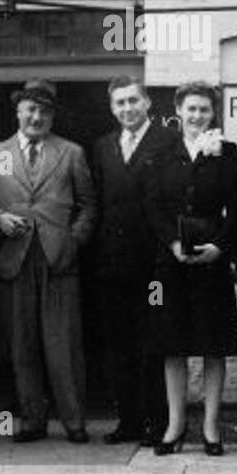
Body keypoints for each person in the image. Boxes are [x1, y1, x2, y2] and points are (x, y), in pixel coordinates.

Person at [0, 79, 97, 443]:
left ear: (52, 115)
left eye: (44, 110)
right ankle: (32, 420)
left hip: (59, 259)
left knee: (63, 344)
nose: (36, 116)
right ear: (18, 111)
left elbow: (89, 205)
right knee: (22, 343)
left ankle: (74, 421)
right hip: (14, 257)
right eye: (30, 109)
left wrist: (73, 241)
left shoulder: (71, 152)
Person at [140, 83, 237, 456]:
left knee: (212, 346)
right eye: (191, 109)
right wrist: (172, 244)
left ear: (212, 113)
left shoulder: (227, 152)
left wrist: (221, 247)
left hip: (212, 260)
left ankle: (212, 426)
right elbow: (152, 204)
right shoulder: (161, 152)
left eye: (204, 110)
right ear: (178, 111)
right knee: (173, 345)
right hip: (172, 262)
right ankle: (175, 423)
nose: (197, 116)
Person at [91, 76, 179, 446]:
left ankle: (155, 423)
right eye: (119, 103)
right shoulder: (102, 147)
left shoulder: (168, 141)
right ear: (112, 108)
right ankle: (127, 420)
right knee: (119, 344)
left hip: (155, 267)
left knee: (153, 342)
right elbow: (96, 203)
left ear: (147, 104)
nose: (127, 109)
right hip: (114, 265)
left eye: (132, 101)